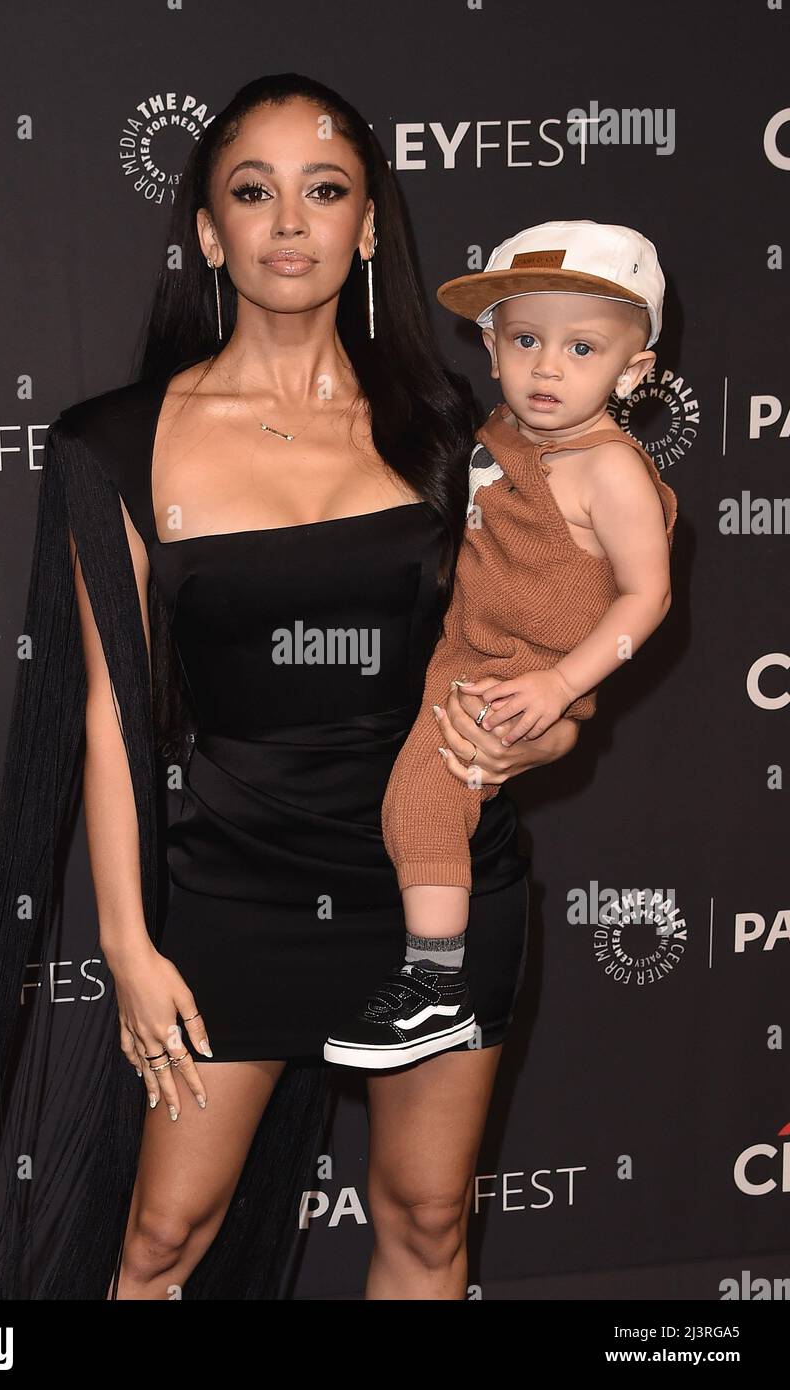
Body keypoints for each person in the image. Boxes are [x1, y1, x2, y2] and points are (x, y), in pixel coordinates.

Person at [0, 76, 581, 1302]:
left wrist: (549, 730)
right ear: (209, 231)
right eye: (253, 194)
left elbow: (530, 653)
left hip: (439, 883)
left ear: (368, 227)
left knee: (424, 1219)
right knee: (158, 1244)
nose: (290, 223)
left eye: (325, 192)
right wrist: (128, 946)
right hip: (235, 886)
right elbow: (107, 706)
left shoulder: (450, 428)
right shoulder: (118, 444)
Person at [324, 220, 677, 1070]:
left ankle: (436, 985)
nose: (548, 368)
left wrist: (561, 687)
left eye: (582, 348)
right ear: (491, 346)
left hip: (523, 670)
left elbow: (649, 594)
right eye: (526, 339)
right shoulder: (502, 429)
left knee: (423, 794)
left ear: (633, 372)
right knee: (409, 799)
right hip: (466, 650)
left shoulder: (610, 470)